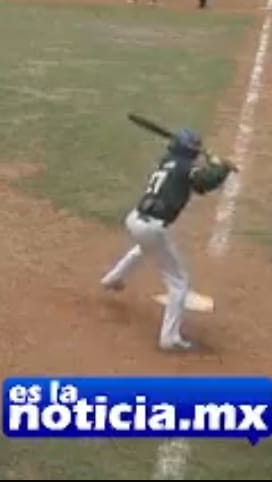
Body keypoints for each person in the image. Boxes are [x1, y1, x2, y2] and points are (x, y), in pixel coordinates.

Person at [100, 128, 234, 351]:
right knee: (179, 282)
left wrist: (212, 161)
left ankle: (113, 279)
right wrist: (222, 168)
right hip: (152, 227)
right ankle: (170, 339)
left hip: (134, 220)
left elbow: (191, 172)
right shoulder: (185, 168)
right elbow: (205, 183)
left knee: (144, 248)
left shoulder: (168, 161)